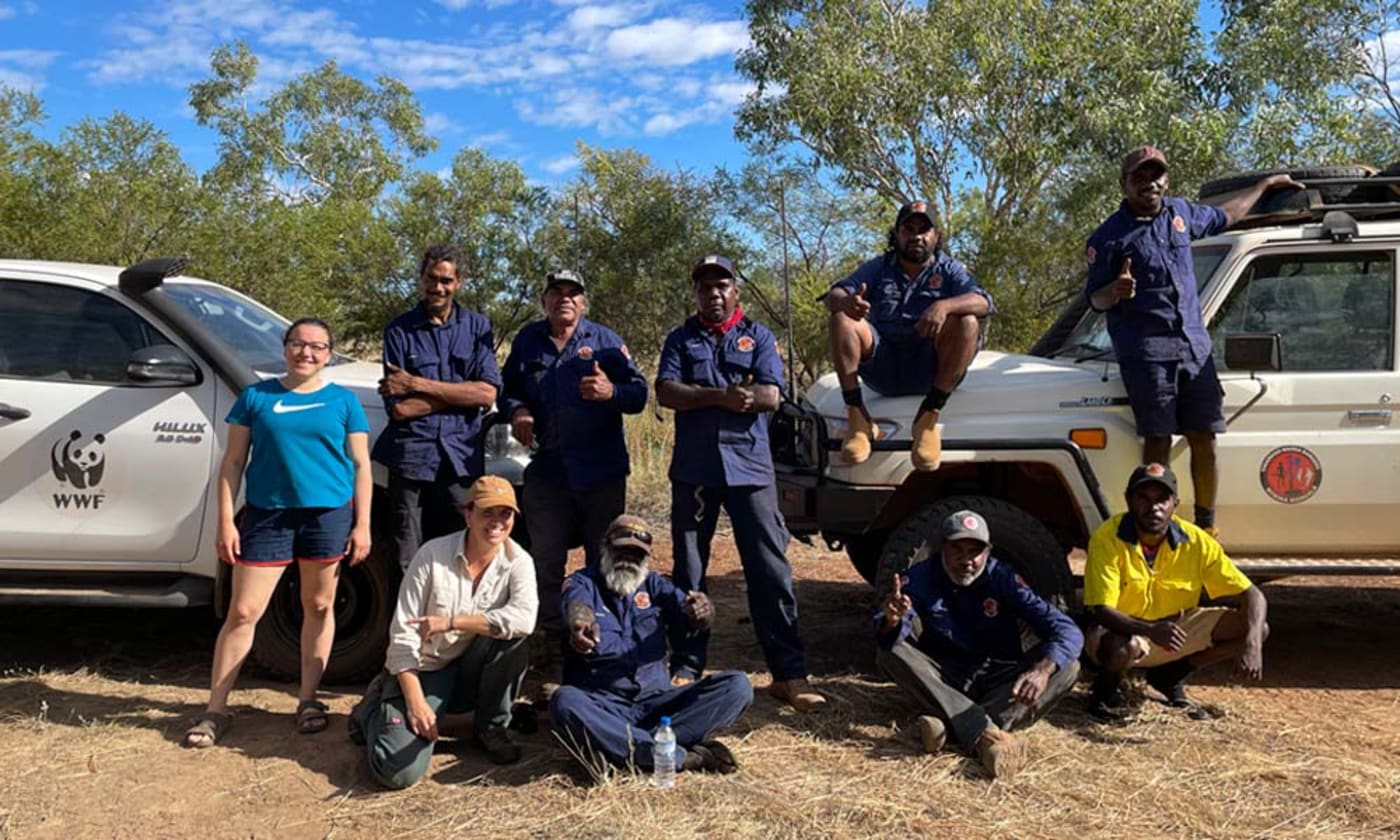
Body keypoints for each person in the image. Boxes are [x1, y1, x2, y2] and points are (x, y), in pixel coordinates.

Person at [1086, 147, 1302, 535]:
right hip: (1148, 355)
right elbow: (1095, 299)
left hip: (1193, 351)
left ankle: (1207, 528)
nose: (1150, 184)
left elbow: (1228, 215)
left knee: (1205, 438)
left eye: (1156, 175)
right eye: (1140, 177)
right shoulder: (1108, 237)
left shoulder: (1181, 214)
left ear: (1166, 179)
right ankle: (1154, 529)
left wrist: (1264, 186)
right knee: (1157, 442)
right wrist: (1114, 290)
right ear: (1124, 184)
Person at [184, 318, 373, 748]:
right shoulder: (256, 397)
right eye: (298, 343)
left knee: (319, 606)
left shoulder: (344, 401)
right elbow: (232, 463)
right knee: (243, 611)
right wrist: (226, 521)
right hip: (268, 516)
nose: (306, 352)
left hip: (327, 516)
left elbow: (361, 465)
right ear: (285, 348)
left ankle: (308, 700)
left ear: (329, 354)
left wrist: (362, 524)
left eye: (317, 346)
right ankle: (215, 710)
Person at [656, 254, 825, 712]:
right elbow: (667, 391)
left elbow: (771, 394)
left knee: (770, 569)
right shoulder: (680, 339)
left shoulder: (759, 337)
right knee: (690, 571)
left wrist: (717, 397)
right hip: (695, 470)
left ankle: (789, 673)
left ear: (736, 291)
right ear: (696, 293)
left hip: (750, 469)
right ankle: (687, 663)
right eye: (705, 287)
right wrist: (725, 396)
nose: (713, 293)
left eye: (722, 285)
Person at [500, 269, 648, 675]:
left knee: (605, 560)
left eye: (573, 293)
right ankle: (550, 643)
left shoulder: (605, 341)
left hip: (601, 472)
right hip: (548, 472)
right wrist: (518, 410)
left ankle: (606, 642)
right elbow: (508, 388)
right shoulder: (528, 341)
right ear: (544, 300)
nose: (564, 298)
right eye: (556, 292)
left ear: (583, 302)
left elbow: (639, 394)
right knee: (545, 561)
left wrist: (611, 392)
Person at [350, 476, 538, 788]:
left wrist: (453, 622)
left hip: (471, 665)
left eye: (505, 513)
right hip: (426, 669)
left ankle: (491, 727)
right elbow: (402, 635)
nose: (497, 522)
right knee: (398, 773)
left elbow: (524, 620)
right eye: (487, 512)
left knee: (513, 639)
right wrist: (415, 701)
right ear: (468, 514)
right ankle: (373, 710)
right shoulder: (432, 555)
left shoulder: (519, 561)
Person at [875, 509, 1082, 779]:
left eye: (975, 551)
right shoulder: (921, 576)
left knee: (1068, 667)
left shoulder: (1003, 578)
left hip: (998, 677)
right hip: (946, 677)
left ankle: (949, 728)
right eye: (957, 550)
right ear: (942, 548)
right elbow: (891, 629)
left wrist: (1042, 670)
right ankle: (986, 735)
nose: (967, 561)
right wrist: (891, 620)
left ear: (988, 552)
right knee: (890, 652)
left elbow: (1066, 629)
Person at [550, 515, 753, 776]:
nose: (627, 559)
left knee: (737, 686)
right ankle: (682, 757)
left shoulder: (654, 585)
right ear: (604, 547)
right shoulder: (582, 582)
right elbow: (576, 606)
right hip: (603, 706)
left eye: (636, 554)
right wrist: (579, 621)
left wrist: (704, 611)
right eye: (621, 550)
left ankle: (619, 749)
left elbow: (691, 611)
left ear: (646, 558)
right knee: (564, 701)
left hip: (657, 705)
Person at [1083, 462, 1269, 719]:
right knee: (1120, 648)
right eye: (1143, 498)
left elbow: (1252, 594)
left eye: (1162, 499)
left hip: (1174, 629)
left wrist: (1252, 645)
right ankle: (1104, 695)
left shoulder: (1196, 540)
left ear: (1175, 504)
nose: (1154, 507)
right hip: (1123, 632)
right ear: (1128, 500)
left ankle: (1170, 676)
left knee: (1257, 628)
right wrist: (1150, 630)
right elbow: (1102, 610)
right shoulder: (1107, 537)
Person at [826, 201, 994, 470]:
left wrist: (944, 306)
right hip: (884, 367)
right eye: (909, 229)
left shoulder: (949, 269)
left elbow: (983, 302)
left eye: (924, 230)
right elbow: (835, 293)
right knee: (841, 317)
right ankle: (858, 419)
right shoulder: (878, 267)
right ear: (897, 234)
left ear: (936, 235)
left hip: (930, 370)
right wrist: (846, 302)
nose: (916, 236)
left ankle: (927, 419)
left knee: (967, 322)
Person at [374, 243, 502, 572]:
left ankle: (452, 608)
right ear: (421, 279)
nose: (438, 287)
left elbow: (486, 393)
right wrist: (461, 393)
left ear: (458, 282)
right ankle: (409, 609)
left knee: (460, 550)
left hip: (461, 457)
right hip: (411, 457)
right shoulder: (398, 331)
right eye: (432, 278)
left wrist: (417, 383)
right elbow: (400, 410)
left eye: (446, 280)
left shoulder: (477, 327)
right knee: (407, 556)